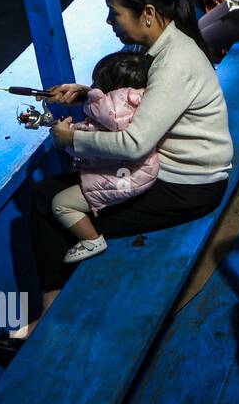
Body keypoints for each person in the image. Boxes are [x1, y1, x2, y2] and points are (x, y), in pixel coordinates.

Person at [0, 0, 234, 367]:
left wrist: (72, 138)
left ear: (147, 14)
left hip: (188, 185)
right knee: (50, 196)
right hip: (170, 170)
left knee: (51, 207)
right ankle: (53, 315)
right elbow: (140, 101)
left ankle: (51, 328)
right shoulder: (170, 45)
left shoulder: (174, 62)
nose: (110, 21)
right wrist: (87, 94)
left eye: (115, 12)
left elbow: (134, 142)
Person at [52, 50, 160, 264]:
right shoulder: (143, 100)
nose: (93, 88)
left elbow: (85, 145)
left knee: (60, 203)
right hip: (144, 172)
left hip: (124, 180)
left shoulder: (106, 112)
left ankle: (92, 240)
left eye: (96, 83)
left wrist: (65, 137)